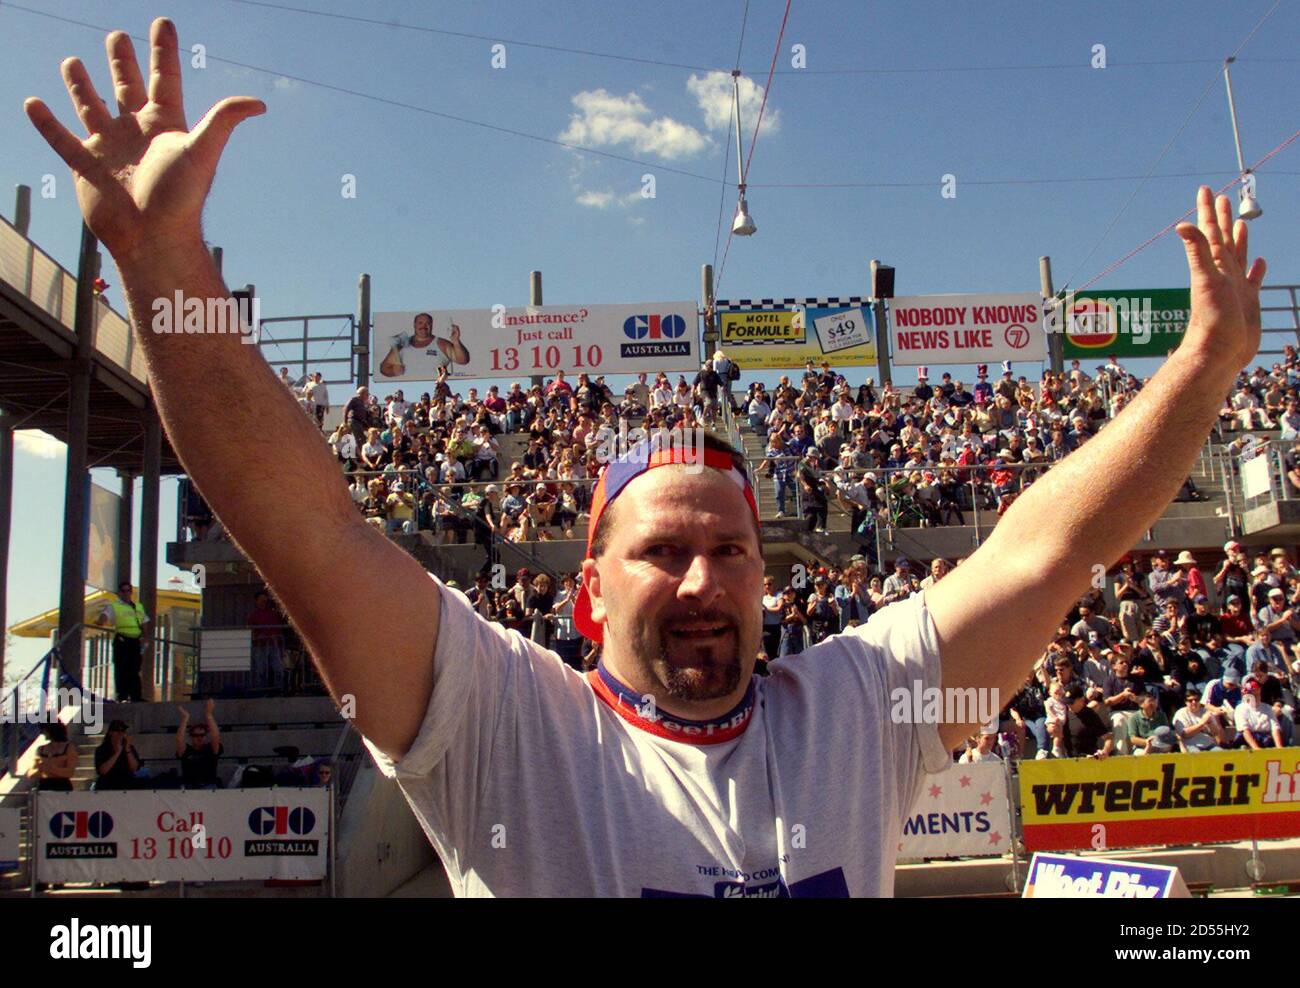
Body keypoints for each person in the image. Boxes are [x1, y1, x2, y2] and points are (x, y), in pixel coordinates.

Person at [28, 19, 1265, 896]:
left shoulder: (859, 710)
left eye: (728, 548)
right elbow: (306, 528)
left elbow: (1051, 546)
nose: (700, 577)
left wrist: (1204, 364)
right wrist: (163, 266)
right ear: (587, 588)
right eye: (660, 549)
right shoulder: (499, 723)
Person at [97, 581, 149, 702]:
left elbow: (144, 621)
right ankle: (122, 695)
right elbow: (104, 615)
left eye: (128, 591)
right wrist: (100, 621)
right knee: (122, 668)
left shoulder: (138, 606)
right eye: (123, 591)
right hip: (122, 639)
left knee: (135, 669)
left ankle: (136, 696)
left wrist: (145, 637)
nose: (126, 593)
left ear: (131, 592)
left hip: (135, 641)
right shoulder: (114, 606)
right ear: (119, 593)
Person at [378, 311, 471, 379]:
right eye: (420, 323)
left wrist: (456, 341)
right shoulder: (401, 344)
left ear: (432, 325)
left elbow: (463, 360)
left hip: (437, 388)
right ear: (414, 325)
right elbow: (384, 369)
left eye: (428, 323)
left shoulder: (441, 344)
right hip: (407, 391)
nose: (424, 326)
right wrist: (394, 371)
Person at [176, 700, 224, 788]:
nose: (199, 737)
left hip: (208, 786)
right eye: (195, 735)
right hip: (189, 787)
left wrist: (209, 715)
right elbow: (179, 739)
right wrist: (185, 718)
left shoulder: (210, 748)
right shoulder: (187, 750)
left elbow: (216, 736)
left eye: (202, 735)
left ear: (206, 736)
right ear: (191, 737)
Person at [94, 720, 142, 790]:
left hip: (126, 783)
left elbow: (134, 768)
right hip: (108, 784)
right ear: (110, 733)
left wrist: (127, 750)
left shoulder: (129, 748)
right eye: (117, 731)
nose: (120, 734)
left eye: (123, 731)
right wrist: (117, 753)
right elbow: (102, 771)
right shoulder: (102, 749)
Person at [32, 722, 78, 791]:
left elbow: (69, 772)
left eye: (44, 730)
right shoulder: (41, 749)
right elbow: (31, 772)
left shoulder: (69, 748)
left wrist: (48, 769)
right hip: (44, 787)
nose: (42, 733)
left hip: (62, 788)